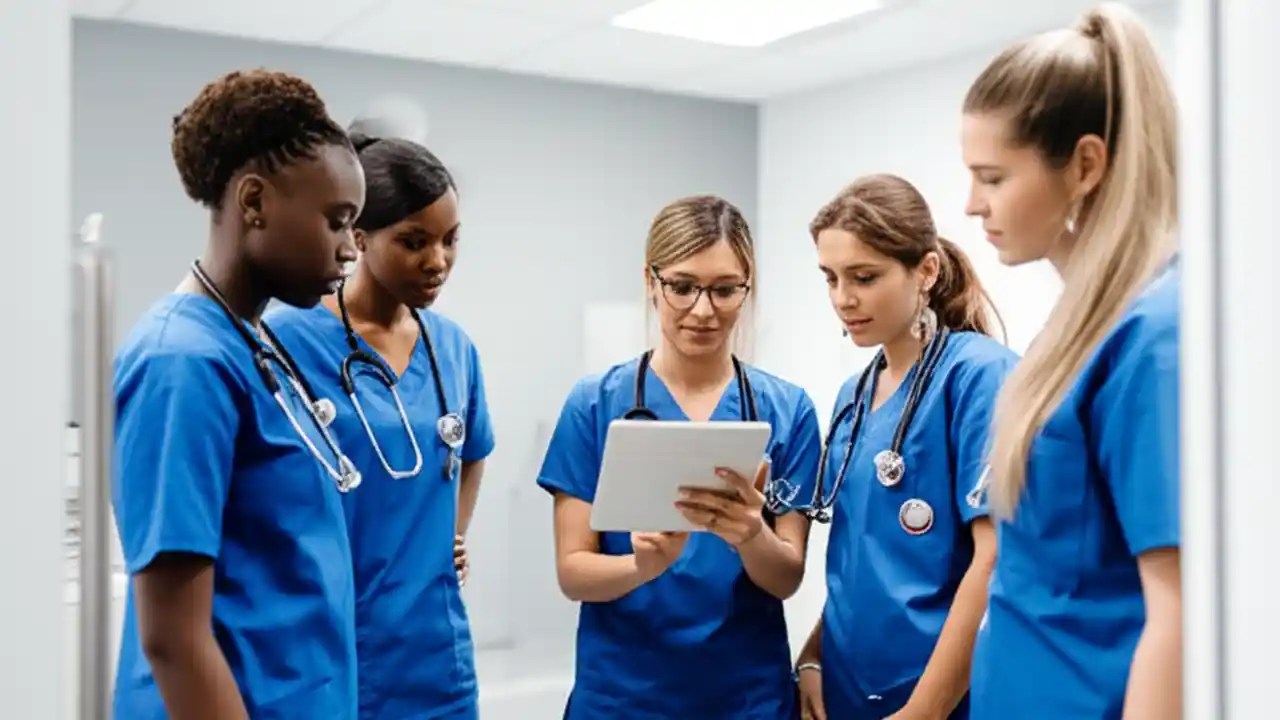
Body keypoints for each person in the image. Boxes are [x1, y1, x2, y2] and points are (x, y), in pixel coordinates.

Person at [111, 69, 365, 719]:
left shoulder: (252, 342)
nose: (349, 251)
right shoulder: (182, 362)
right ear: (254, 202)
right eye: (336, 221)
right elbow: (171, 638)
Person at [959, 3, 1181, 718]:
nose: (971, 204)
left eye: (992, 177)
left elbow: (1178, 611)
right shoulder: (1074, 326)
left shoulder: (1152, 334)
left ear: (1085, 163)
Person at [536, 195, 822, 718]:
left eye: (724, 290)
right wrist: (642, 566)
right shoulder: (596, 404)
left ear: (747, 286)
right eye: (683, 287)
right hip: (624, 697)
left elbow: (787, 578)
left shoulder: (788, 410)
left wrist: (751, 533)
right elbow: (572, 572)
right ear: (651, 281)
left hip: (747, 698)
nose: (703, 310)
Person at [265, 124, 495, 719]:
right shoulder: (286, 342)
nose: (438, 261)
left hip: (434, 653)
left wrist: (453, 532)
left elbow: (472, 451)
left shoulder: (454, 348)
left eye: (450, 240)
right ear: (360, 236)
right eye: (414, 241)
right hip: (331, 645)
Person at [790, 174, 1017, 720]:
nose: (844, 299)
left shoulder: (977, 376)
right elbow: (864, 553)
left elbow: (994, 557)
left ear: (927, 271)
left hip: (939, 698)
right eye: (831, 278)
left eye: (864, 277)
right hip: (846, 687)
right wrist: (814, 654)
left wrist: (925, 711)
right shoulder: (854, 394)